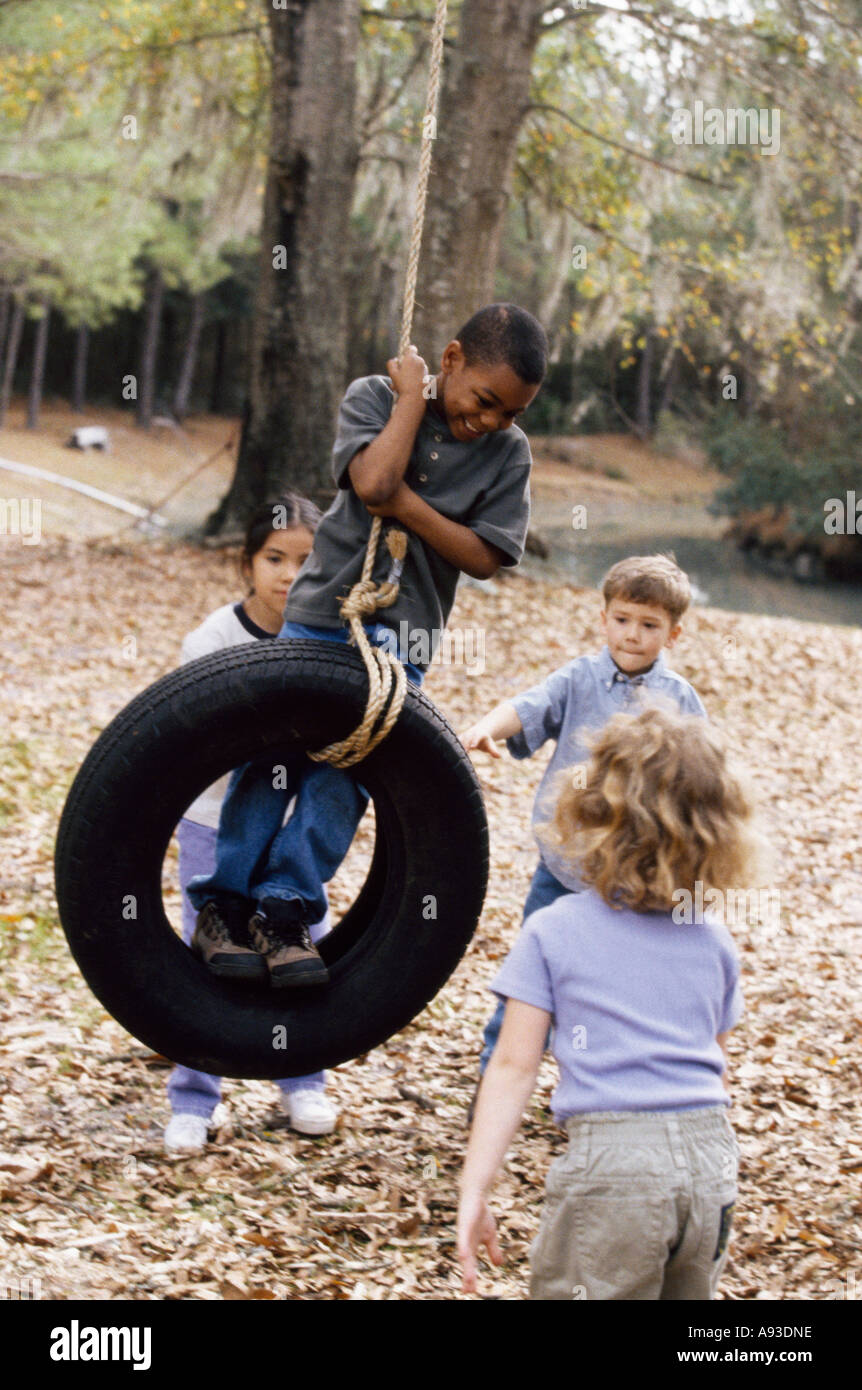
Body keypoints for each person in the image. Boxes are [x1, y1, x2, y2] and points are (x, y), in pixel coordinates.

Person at [187, 302, 548, 987]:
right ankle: (224, 907)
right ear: (450, 360)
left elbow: (483, 556)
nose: (494, 420)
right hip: (323, 613)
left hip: (404, 638)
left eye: (513, 411)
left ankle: (284, 911)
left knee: (345, 774)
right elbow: (373, 481)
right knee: (274, 760)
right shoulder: (377, 396)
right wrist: (412, 400)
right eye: (485, 399)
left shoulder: (508, 454)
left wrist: (407, 511)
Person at [457, 705, 760, 1300]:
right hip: (711, 1166)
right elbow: (713, 1063)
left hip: (615, 1173)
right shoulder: (715, 941)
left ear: (593, 812)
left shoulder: (554, 929)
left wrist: (475, 1186)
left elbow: (515, 1066)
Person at [461, 553, 706, 1073]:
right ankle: (495, 1072)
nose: (632, 635)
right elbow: (529, 706)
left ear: (673, 635)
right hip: (564, 866)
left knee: (612, 990)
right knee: (532, 977)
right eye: (622, 620)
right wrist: (486, 726)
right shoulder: (578, 679)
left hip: (636, 879)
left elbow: (701, 784)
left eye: (649, 625)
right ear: (603, 619)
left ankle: (597, 1088)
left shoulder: (679, 699)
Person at [164, 494, 340, 1152]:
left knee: (298, 945)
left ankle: (303, 1082)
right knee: (214, 950)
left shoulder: (327, 641)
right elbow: (187, 735)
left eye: (306, 560)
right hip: (213, 818)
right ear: (247, 563)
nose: (289, 575)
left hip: (290, 828)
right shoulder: (212, 640)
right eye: (274, 558)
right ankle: (194, 1097)